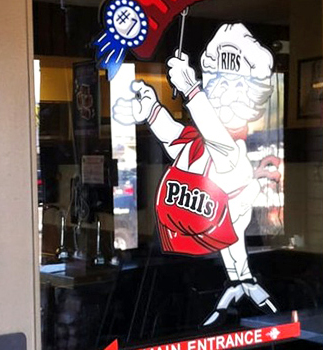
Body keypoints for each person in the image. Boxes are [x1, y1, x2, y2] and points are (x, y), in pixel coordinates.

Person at [112, 22, 278, 326]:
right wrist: (152, 111)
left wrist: (191, 89)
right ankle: (240, 281)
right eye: (219, 83)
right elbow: (176, 138)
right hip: (195, 245)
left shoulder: (233, 153)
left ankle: (241, 282)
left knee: (233, 241)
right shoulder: (199, 144)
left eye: (237, 86)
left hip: (209, 236)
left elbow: (216, 137)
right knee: (232, 246)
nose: (226, 94)